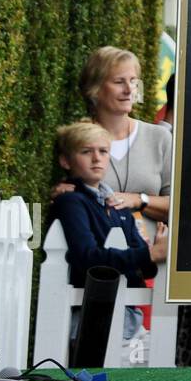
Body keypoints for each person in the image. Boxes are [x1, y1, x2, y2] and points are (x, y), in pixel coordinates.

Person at [49, 122, 168, 342]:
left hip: (131, 317)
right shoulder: (71, 202)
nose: (97, 158)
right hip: (89, 316)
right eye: (86, 151)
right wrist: (149, 254)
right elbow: (87, 258)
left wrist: (149, 255)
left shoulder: (116, 205)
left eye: (103, 151)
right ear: (66, 161)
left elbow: (145, 270)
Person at [51, 47, 172, 223]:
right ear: (95, 88)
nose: (129, 89)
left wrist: (139, 200)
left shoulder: (159, 138)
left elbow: (179, 206)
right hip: (94, 248)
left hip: (152, 249)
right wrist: (58, 193)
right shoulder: (76, 139)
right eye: (119, 82)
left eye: (133, 81)